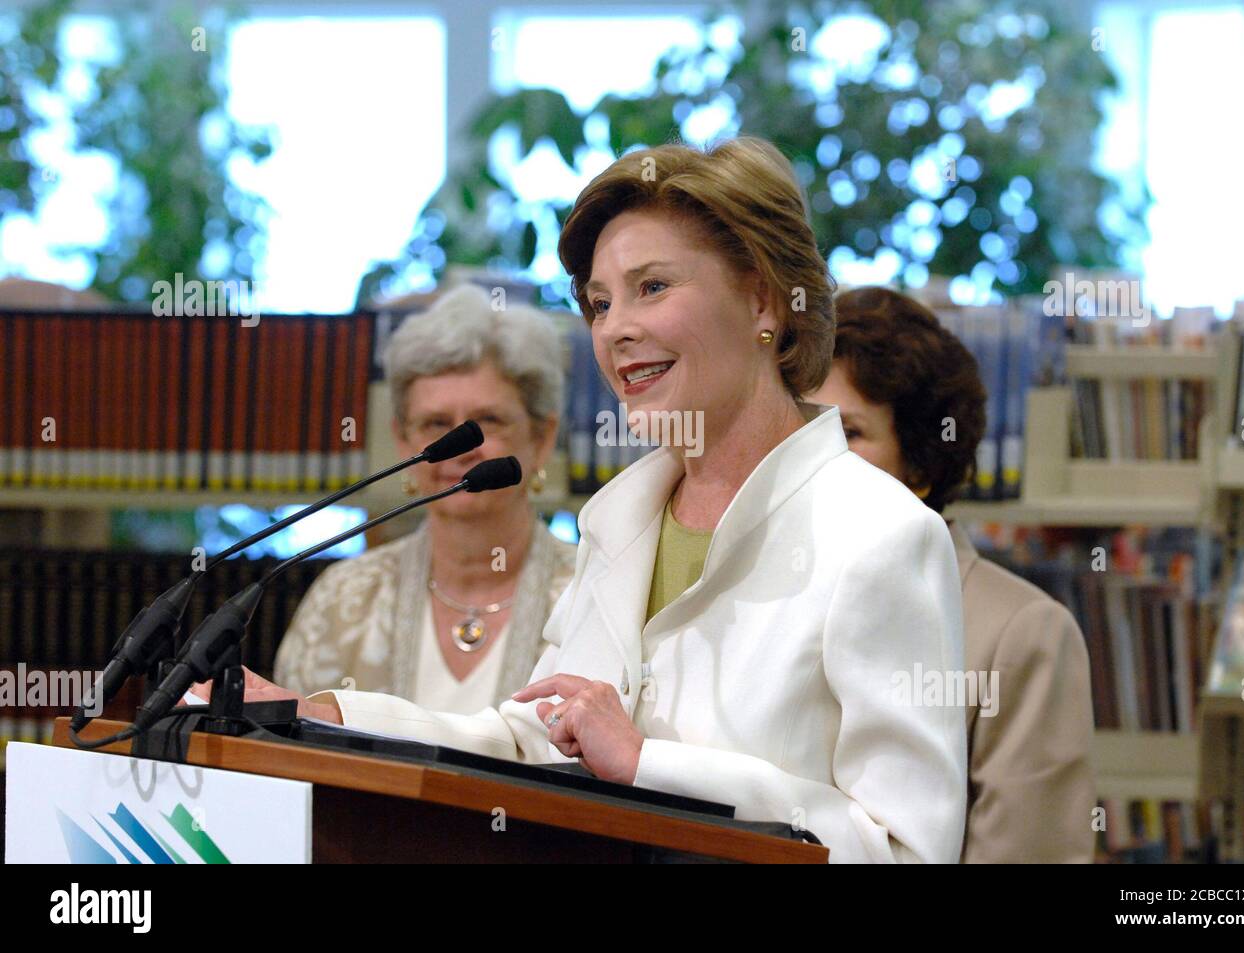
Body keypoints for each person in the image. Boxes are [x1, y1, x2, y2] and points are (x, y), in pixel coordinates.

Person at [200, 138, 967, 864]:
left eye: (652, 288)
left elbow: (904, 849)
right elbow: (529, 743)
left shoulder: (882, 536)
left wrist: (646, 763)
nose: (616, 330)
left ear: (764, 299)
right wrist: (324, 720)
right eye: (600, 304)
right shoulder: (618, 524)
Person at [807, 285, 1095, 863]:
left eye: (850, 433)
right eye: (805, 429)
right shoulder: (776, 592)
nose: (815, 456)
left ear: (921, 463)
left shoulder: (1022, 632)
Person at [272, 284, 577, 713]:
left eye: (487, 421)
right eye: (436, 423)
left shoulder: (591, 595)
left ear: (542, 439)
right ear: (403, 440)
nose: (461, 448)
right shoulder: (342, 602)